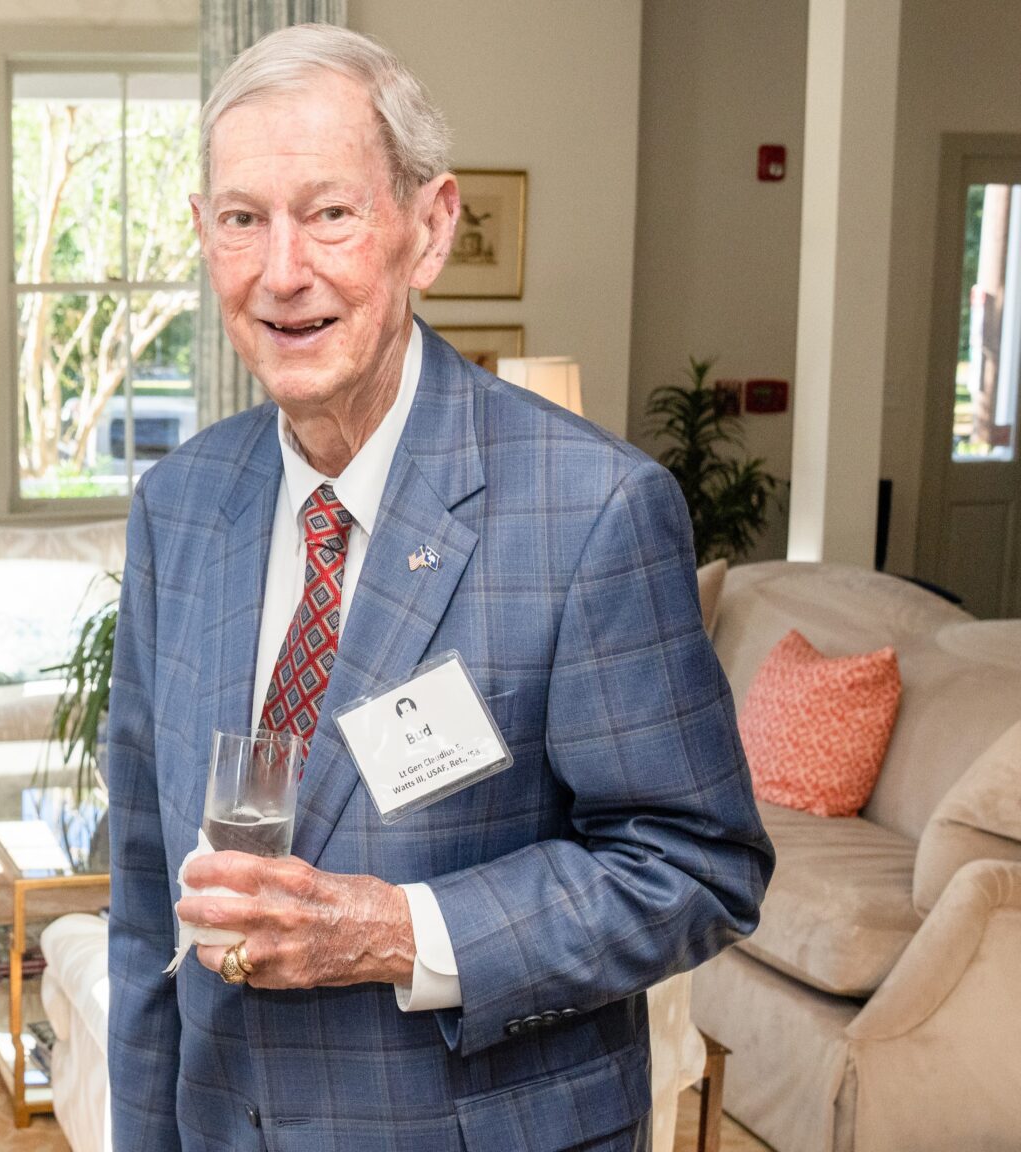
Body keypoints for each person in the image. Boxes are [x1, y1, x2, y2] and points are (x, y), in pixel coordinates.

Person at [104, 25, 773, 1151]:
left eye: (328, 212)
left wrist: (397, 931)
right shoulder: (177, 506)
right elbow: (139, 900)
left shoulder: (590, 510)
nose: (281, 272)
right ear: (201, 236)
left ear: (428, 227)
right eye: (241, 219)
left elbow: (694, 869)